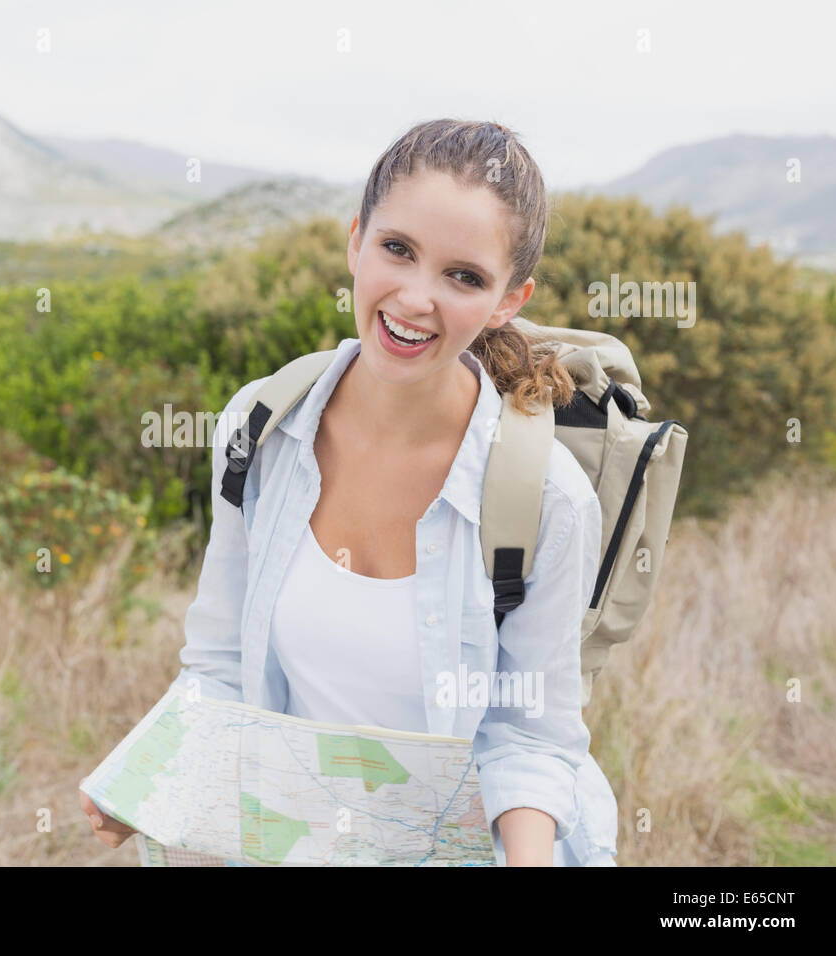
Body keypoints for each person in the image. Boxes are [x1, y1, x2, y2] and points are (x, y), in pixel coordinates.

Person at [81, 118, 619, 866]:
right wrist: (142, 779)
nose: (416, 298)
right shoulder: (259, 432)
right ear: (356, 240)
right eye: (397, 249)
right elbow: (219, 662)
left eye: (464, 276)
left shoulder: (548, 500)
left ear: (508, 298)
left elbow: (529, 737)